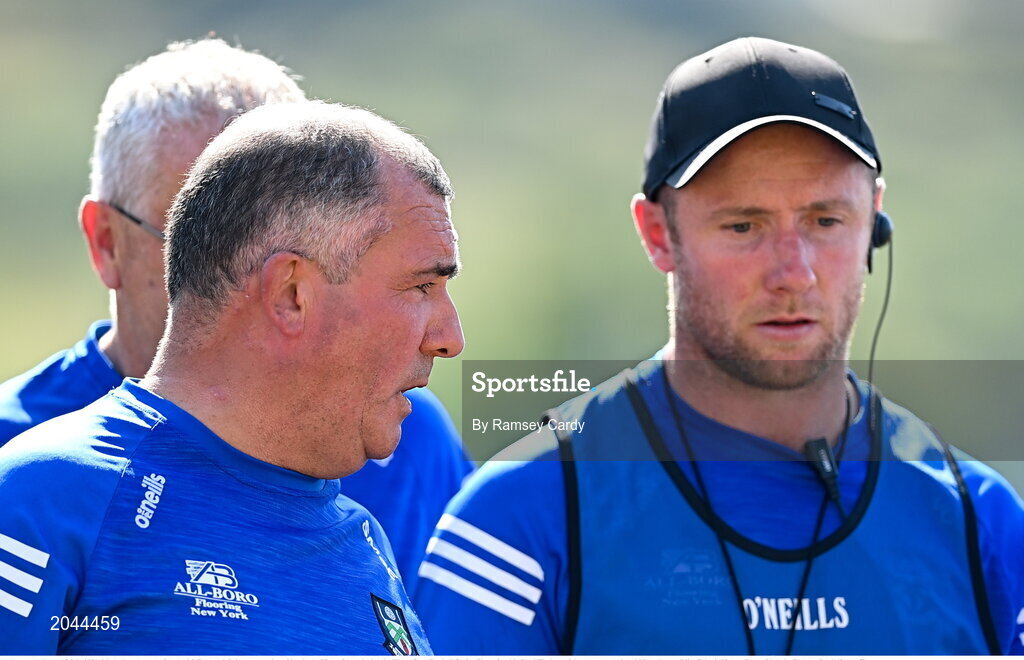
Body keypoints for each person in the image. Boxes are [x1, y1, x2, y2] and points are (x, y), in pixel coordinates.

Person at [414, 37, 1024, 654]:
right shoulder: (521, 520)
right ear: (657, 233)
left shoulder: (984, 524)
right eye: (743, 225)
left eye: (826, 221)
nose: (794, 272)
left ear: (875, 220)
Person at [0, 39, 472, 587]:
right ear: (106, 243)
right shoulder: (22, 464)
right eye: (192, 234)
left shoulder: (408, 443)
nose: (240, 277)